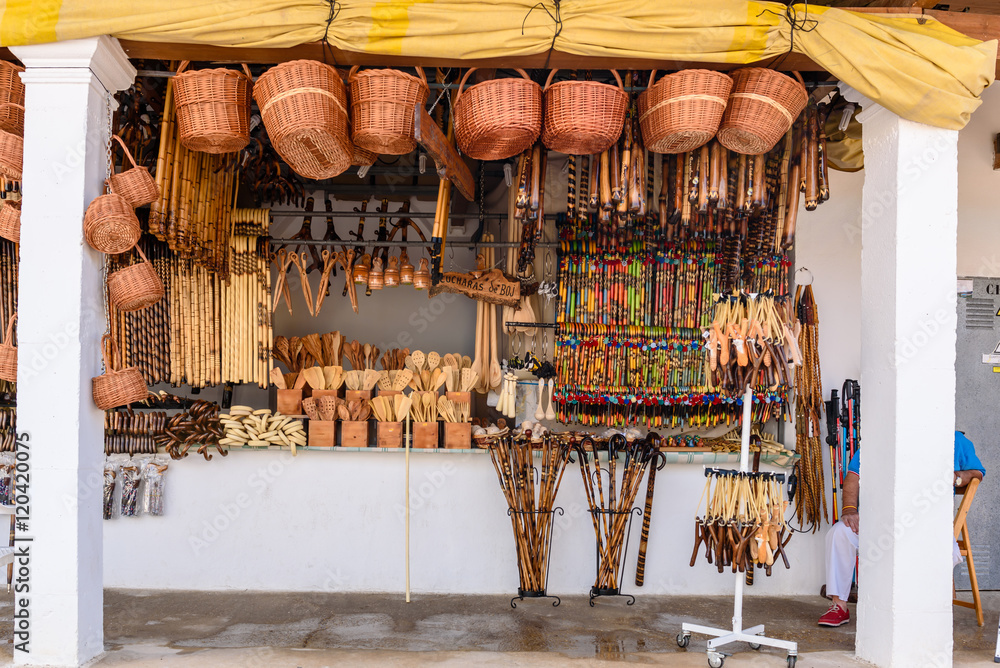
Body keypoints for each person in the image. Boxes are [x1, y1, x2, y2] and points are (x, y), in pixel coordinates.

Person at [817, 431, 985, 627]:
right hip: (880, 521)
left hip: (928, 524)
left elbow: (977, 473)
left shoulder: (954, 439)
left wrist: (956, 477)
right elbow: (854, 475)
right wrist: (849, 510)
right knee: (839, 533)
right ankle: (839, 606)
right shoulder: (884, 432)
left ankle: (926, 608)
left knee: (939, 550)